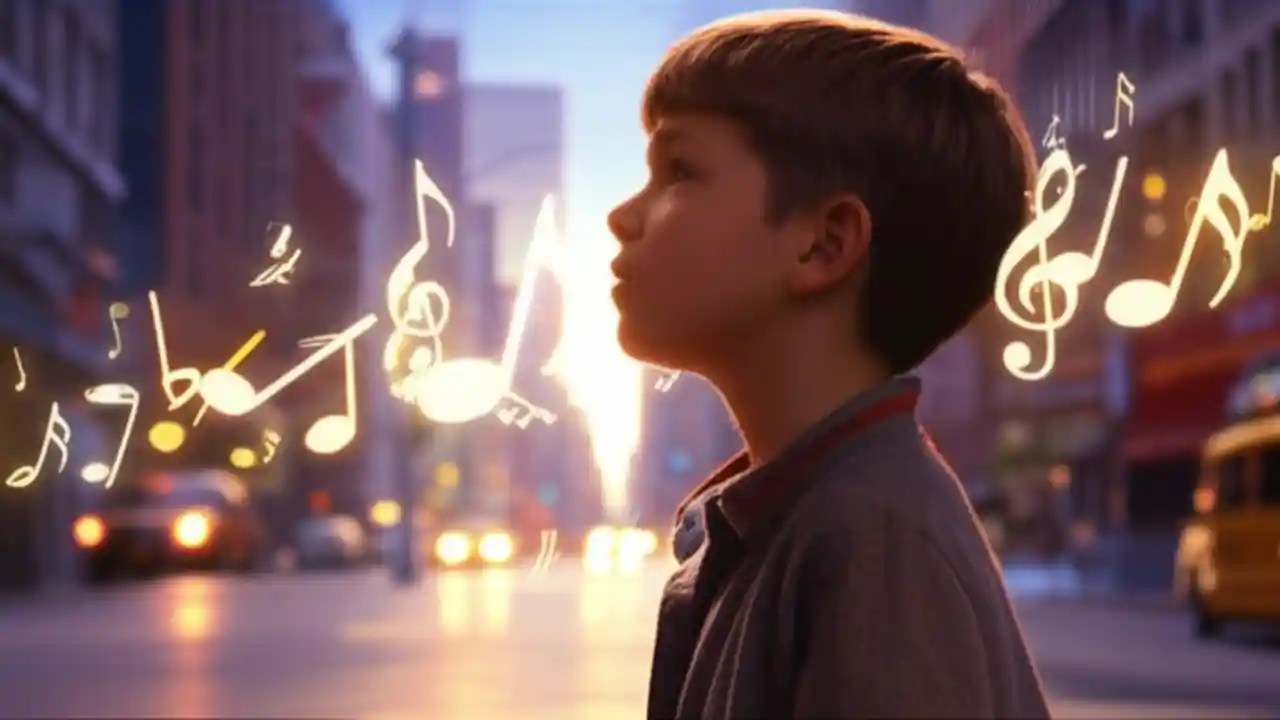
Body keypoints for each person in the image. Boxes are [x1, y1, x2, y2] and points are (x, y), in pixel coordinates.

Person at [606, 9, 1050, 719]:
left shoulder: (877, 548)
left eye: (679, 171)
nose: (622, 216)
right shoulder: (801, 516)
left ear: (823, 244)